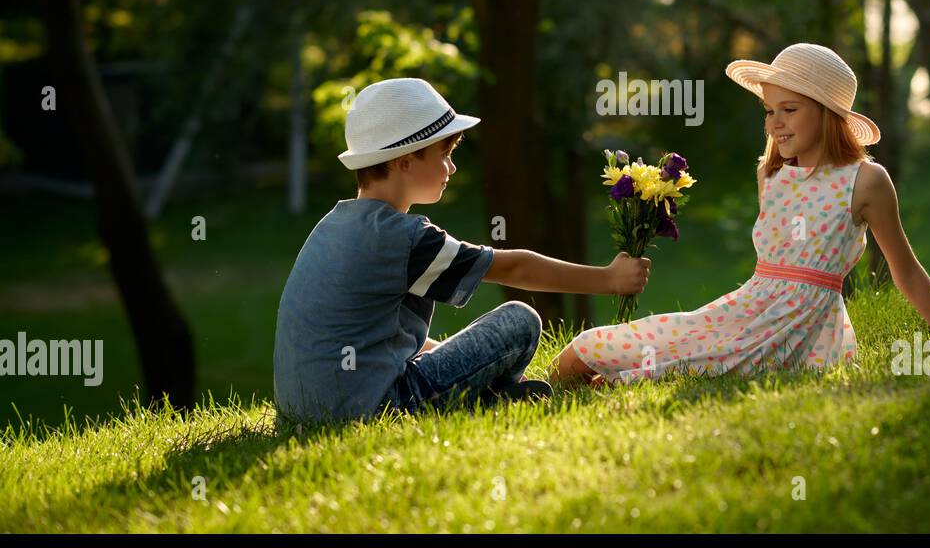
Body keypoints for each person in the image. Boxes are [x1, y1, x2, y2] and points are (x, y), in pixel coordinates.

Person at [550, 42, 930, 388]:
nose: (775, 123)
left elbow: (904, 269)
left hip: (800, 327)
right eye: (769, 111)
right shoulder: (770, 174)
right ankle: (528, 396)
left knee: (642, 373)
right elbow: (766, 278)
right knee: (583, 351)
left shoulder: (865, 180)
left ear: (826, 112)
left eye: (789, 109)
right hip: (745, 310)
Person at [272, 77, 651, 423]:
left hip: (306, 407)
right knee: (520, 320)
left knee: (459, 350)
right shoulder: (406, 237)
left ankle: (491, 399)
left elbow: (386, 339)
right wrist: (609, 279)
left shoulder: (335, 224)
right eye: (444, 155)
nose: (451, 168)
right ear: (405, 161)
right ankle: (487, 398)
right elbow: (514, 269)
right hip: (372, 406)